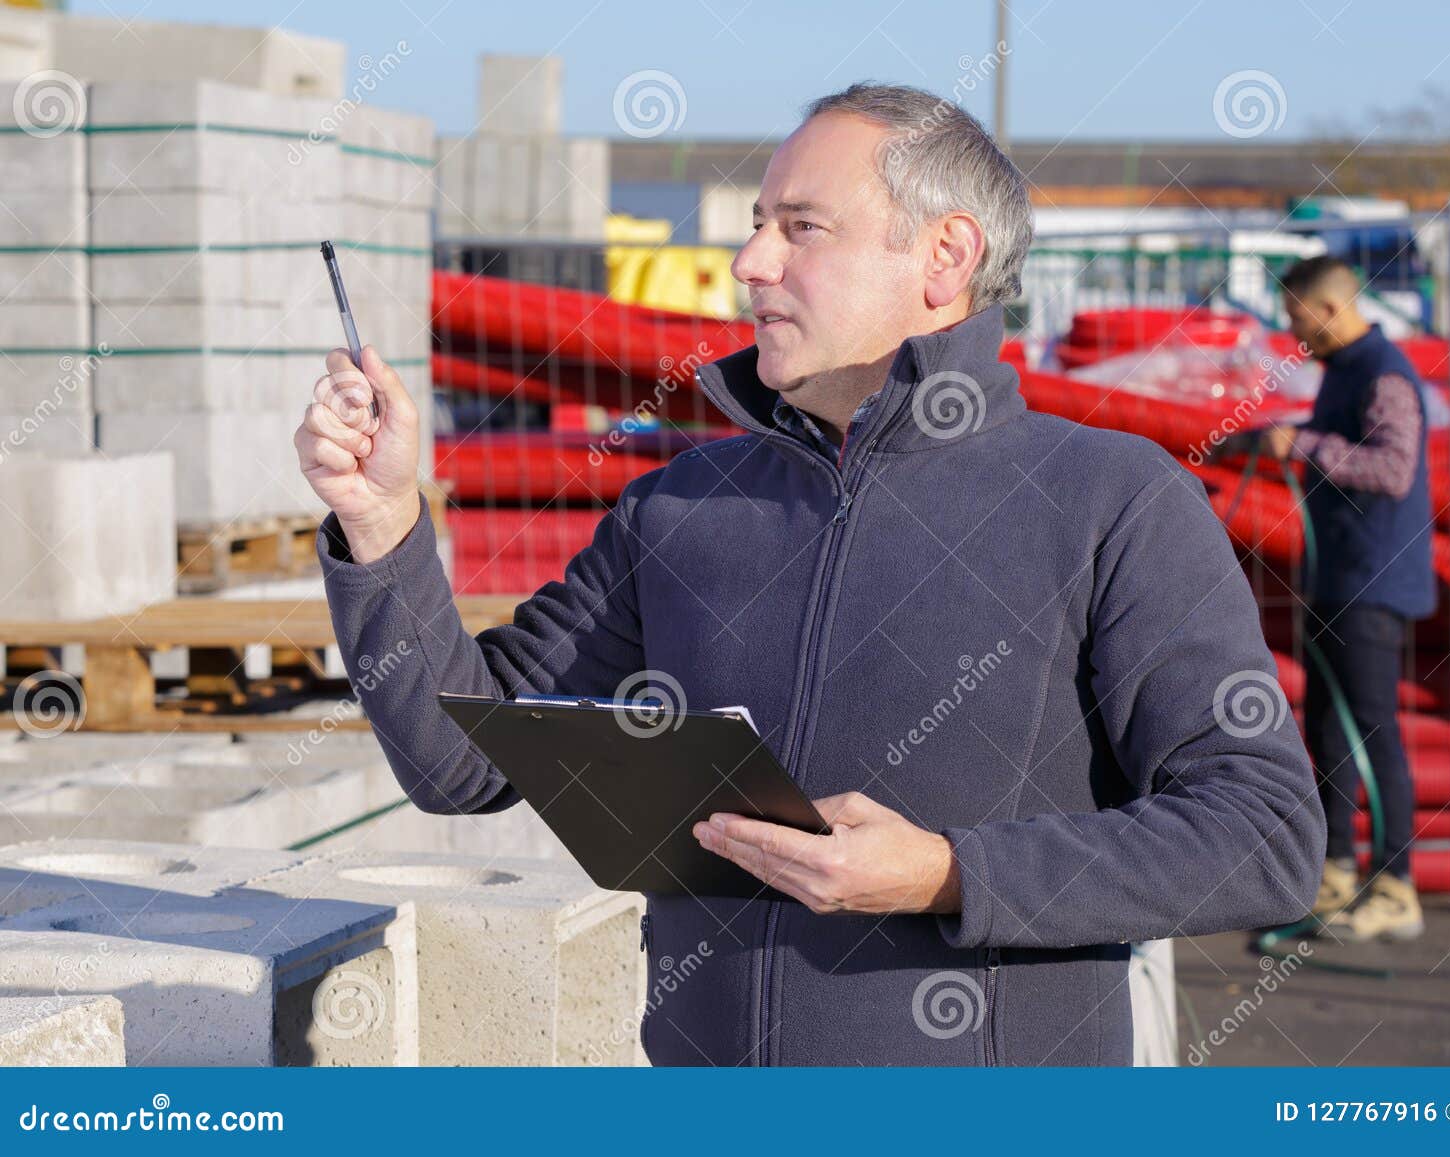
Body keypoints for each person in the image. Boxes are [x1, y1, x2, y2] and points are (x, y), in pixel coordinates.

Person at [295, 83, 1322, 1066]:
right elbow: (463, 759)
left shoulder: (1109, 500)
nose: (750, 261)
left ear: (945, 255)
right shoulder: (679, 508)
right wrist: (381, 524)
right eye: (757, 224)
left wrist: (950, 873)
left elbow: (1264, 832)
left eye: (802, 227)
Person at [1260, 255, 1438, 942]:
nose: (1291, 330)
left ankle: (1396, 885)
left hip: (1373, 581)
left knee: (1372, 729)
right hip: (1335, 580)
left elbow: (1393, 469)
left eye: (1295, 315)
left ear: (1330, 309)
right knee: (1328, 728)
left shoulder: (1384, 374)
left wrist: (1305, 444)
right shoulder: (1341, 369)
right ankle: (1336, 868)